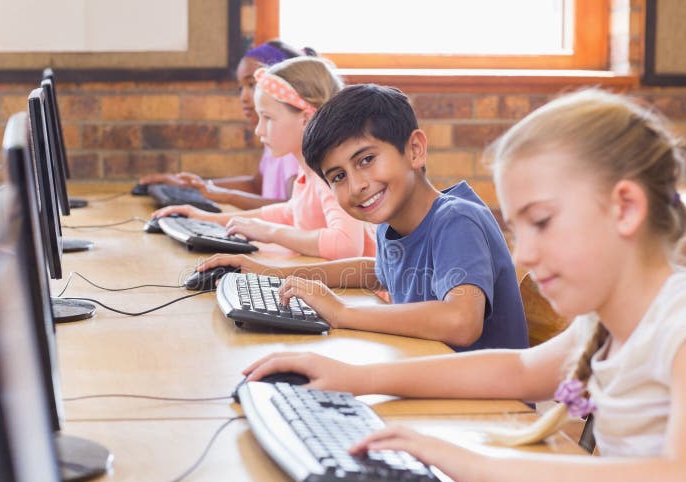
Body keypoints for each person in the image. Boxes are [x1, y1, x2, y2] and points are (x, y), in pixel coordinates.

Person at [241, 89, 686, 482]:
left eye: (542, 222)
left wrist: (479, 467)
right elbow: (516, 370)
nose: (526, 255)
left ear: (625, 207)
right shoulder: (604, 325)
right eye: (520, 230)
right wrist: (356, 378)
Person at [197, 85, 527, 351]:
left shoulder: (457, 221)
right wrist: (274, 274)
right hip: (434, 383)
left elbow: (462, 321)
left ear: (414, 150)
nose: (357, 185)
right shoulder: (392, 225)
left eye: (366, 159)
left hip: (488, 412)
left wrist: (344, 312)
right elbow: (377, 272)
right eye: (338, 176)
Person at [153, 57, 376, 261]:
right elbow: (291, 212)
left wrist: (269, 232)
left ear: (306, 118)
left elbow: (347, 246)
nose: (259, 130)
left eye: (267, 118)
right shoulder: (308, 169)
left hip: (365, 298)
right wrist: (202, 218)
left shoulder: (332, 173)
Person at [140, 41, 306, 209]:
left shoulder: (291, 143)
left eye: (252, 84)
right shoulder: (274, 136)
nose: (243, 97)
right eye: (240, 87)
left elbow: (293, 209)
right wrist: (199, 187)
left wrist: (226, 197)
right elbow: (256, 185)